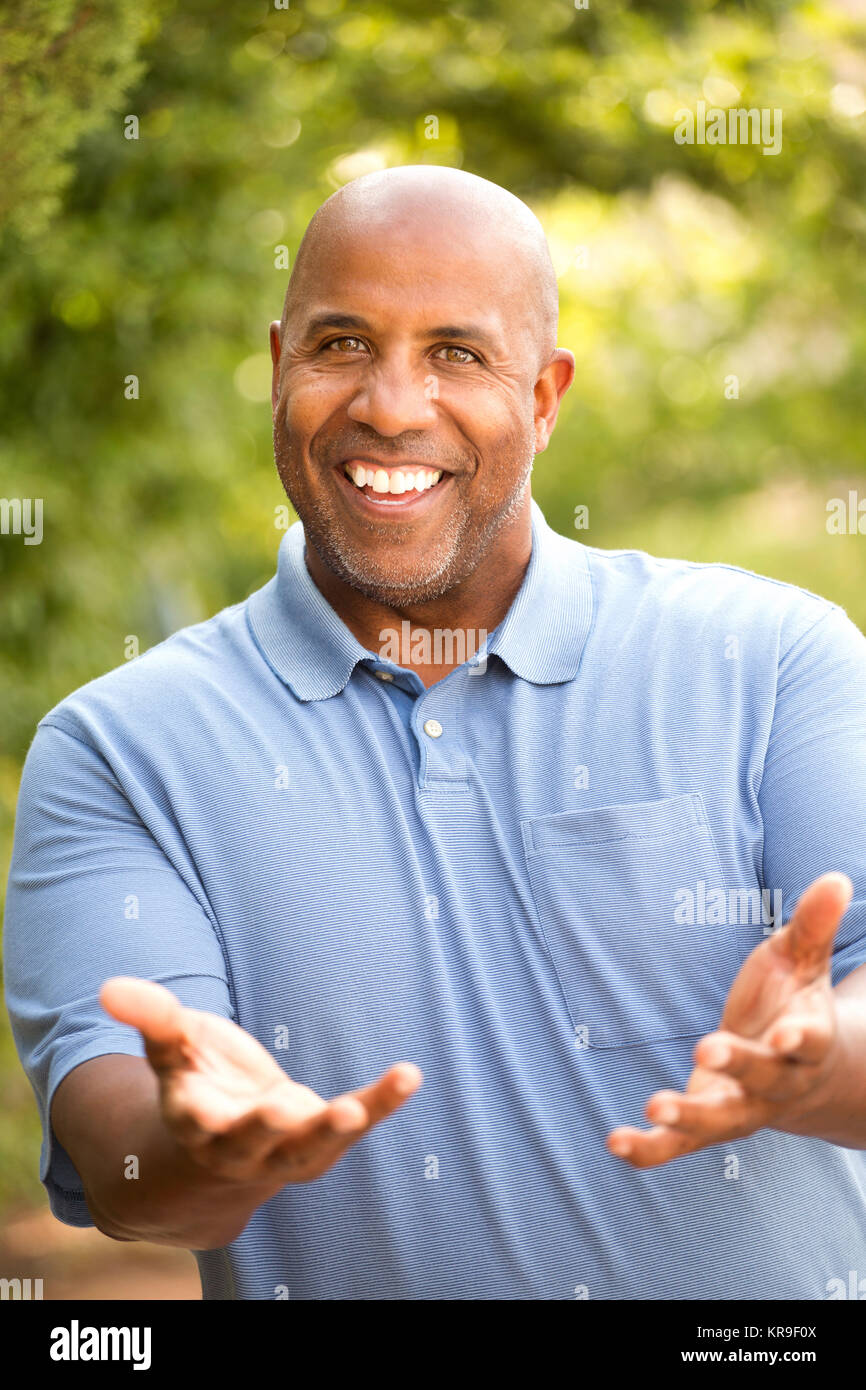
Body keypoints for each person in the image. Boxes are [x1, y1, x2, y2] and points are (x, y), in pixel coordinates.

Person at [5, 166, 866, 1300]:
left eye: (456, 353)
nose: (391, 406)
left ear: (547, 396)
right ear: (277, 368)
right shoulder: (120, 750)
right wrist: (202, 1149)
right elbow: (122, 1158)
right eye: (340, 344)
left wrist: (812, 1068)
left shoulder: (769, 658)